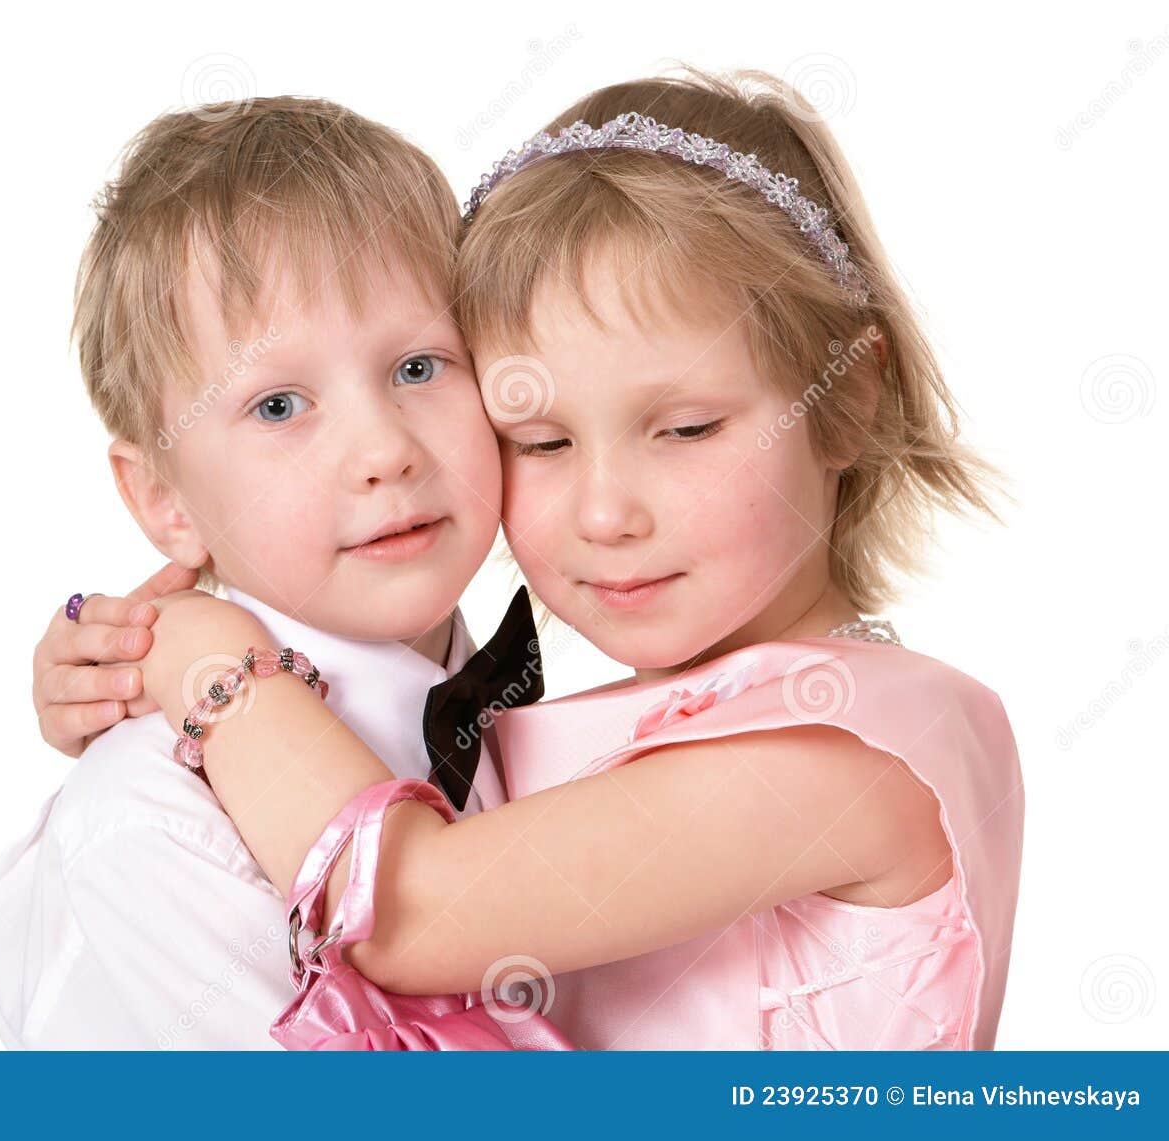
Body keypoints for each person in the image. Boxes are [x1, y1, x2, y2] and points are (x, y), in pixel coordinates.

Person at [50, 70, 1025, 1050]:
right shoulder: (544, 732)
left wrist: (209, 663)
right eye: (541, 441)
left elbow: (411, 912)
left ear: (843, 400)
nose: (604, 512)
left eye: (685, 428)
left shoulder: (845, 750)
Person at [0, 95, 517, 1048]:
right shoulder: (152, 823)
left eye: (419, 368)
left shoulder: (539, 722)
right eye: (280, 404)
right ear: (165, 500)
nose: (383, 449)